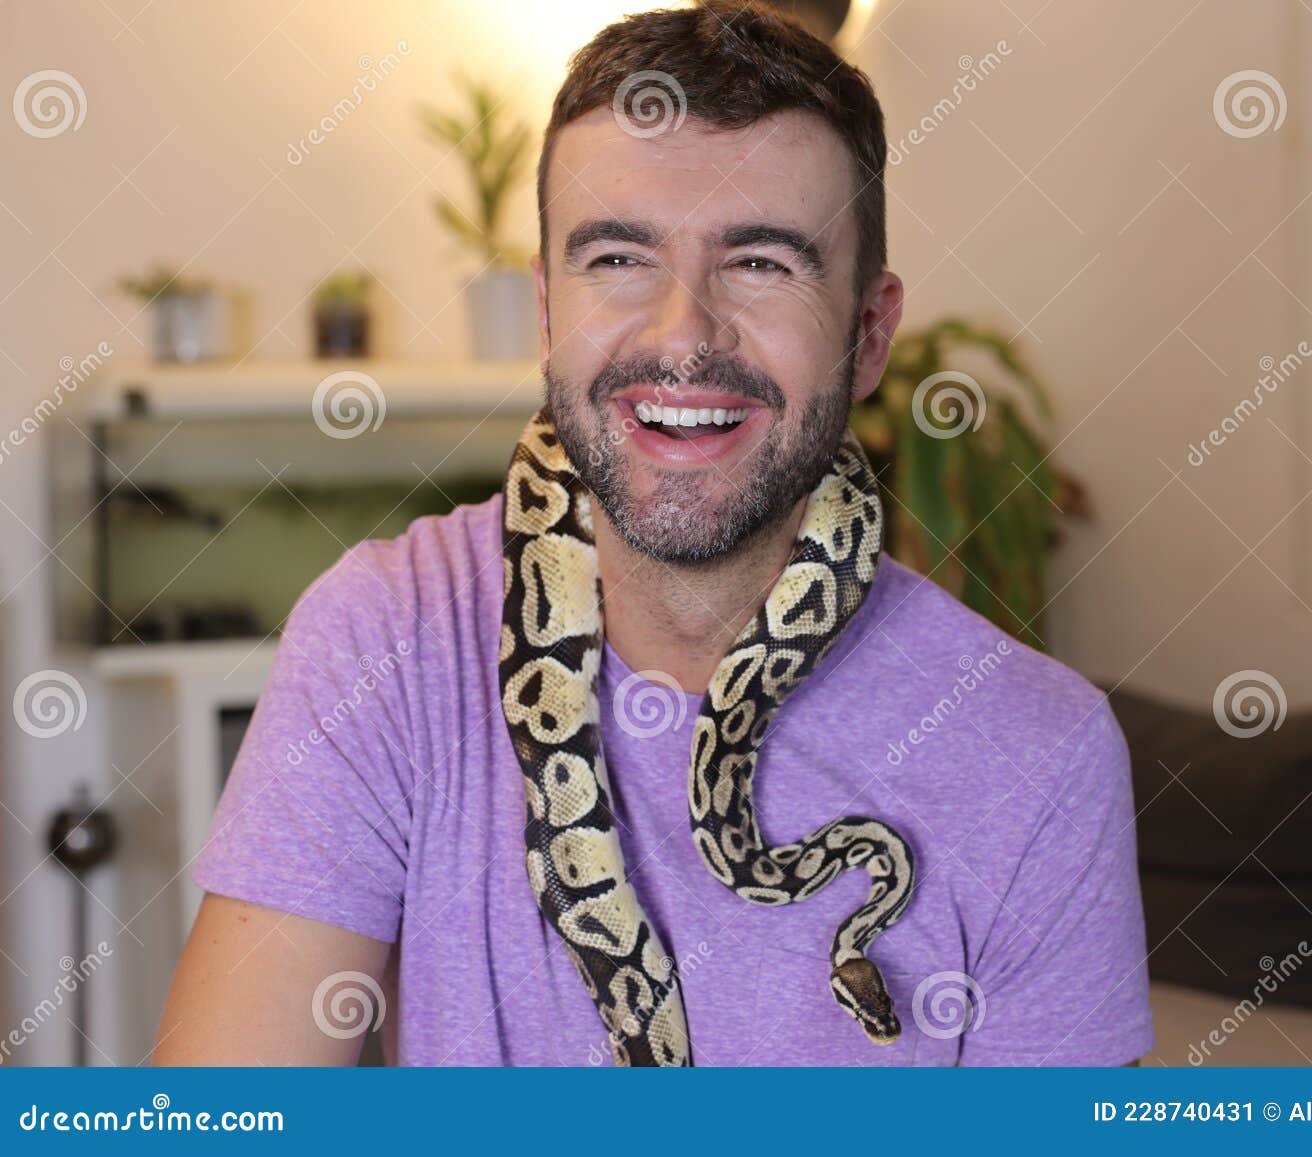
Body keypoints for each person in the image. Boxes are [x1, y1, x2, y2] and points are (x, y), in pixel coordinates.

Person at [155, 1, 1153, 1067]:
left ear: (868, 334)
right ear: (546, 316)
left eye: (763, 261)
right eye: (620, 258)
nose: (684, 335)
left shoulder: (1036, 755)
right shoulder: (386, 637)